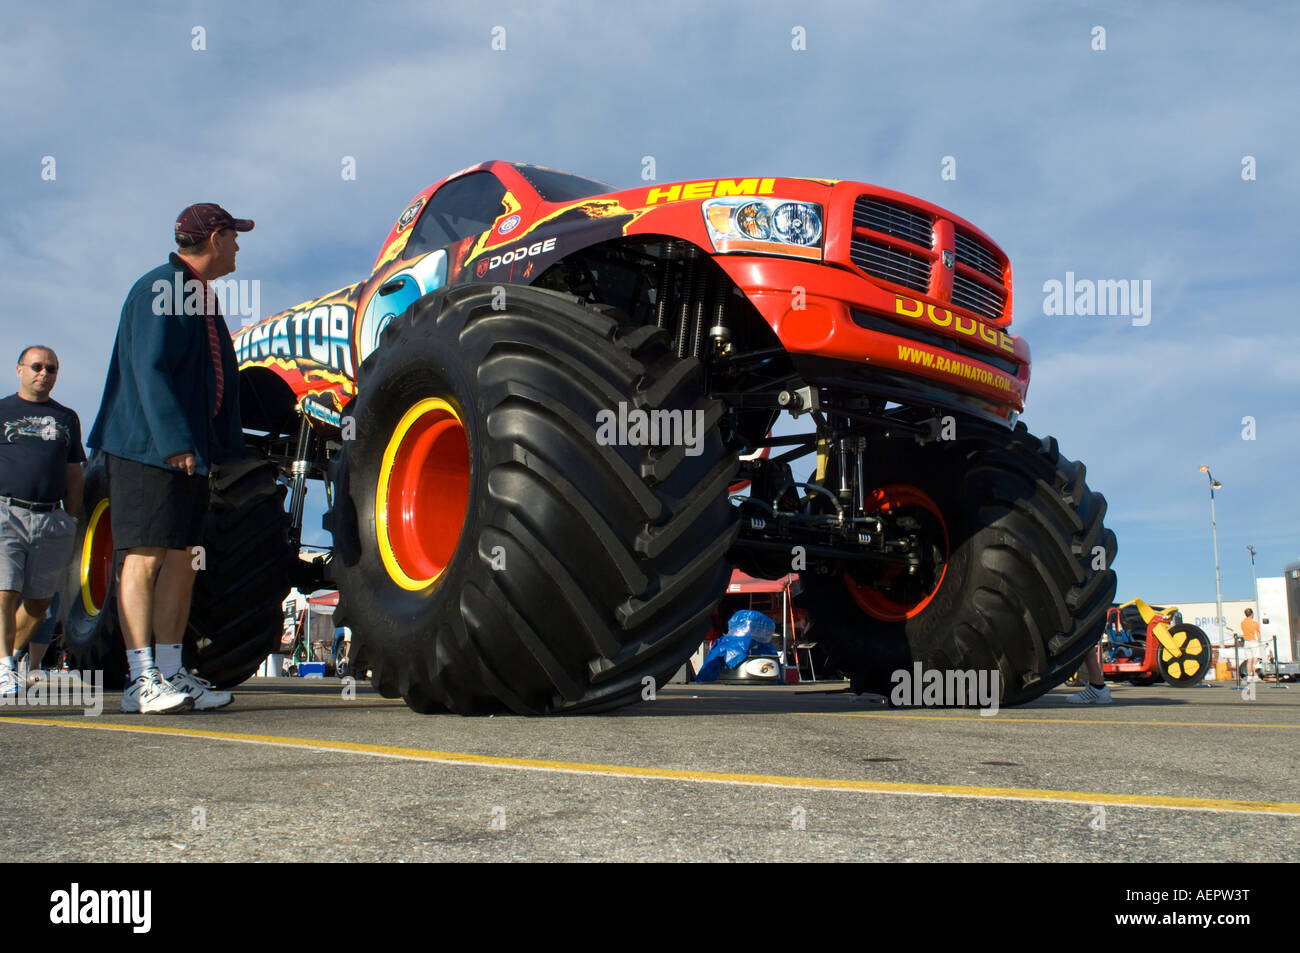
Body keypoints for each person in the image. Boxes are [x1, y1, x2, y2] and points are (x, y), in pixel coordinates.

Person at [87, 204, 252, 713]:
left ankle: (173, 671)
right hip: (148, 448)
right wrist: (175, 440)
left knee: (182, 560)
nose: (239, 248)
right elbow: (148, 369)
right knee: (144, 556)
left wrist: (220, 450)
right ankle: (141, 680)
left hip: (188, 454)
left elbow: (213, 384)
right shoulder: (160, 287)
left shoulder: (201, 298)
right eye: (235, 237)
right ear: (216, 238)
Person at [0, 346, 85, 697]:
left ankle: (13, 657)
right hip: (6, 512)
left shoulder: (67, 418)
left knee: (38, 604)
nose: (44, 373)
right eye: (37, 366)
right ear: (20, 369)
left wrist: (72, 518)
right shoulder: (3, 410)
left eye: (51, 368)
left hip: (52, 519)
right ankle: (4, 667)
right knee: (6, 590)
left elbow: (74, 472)